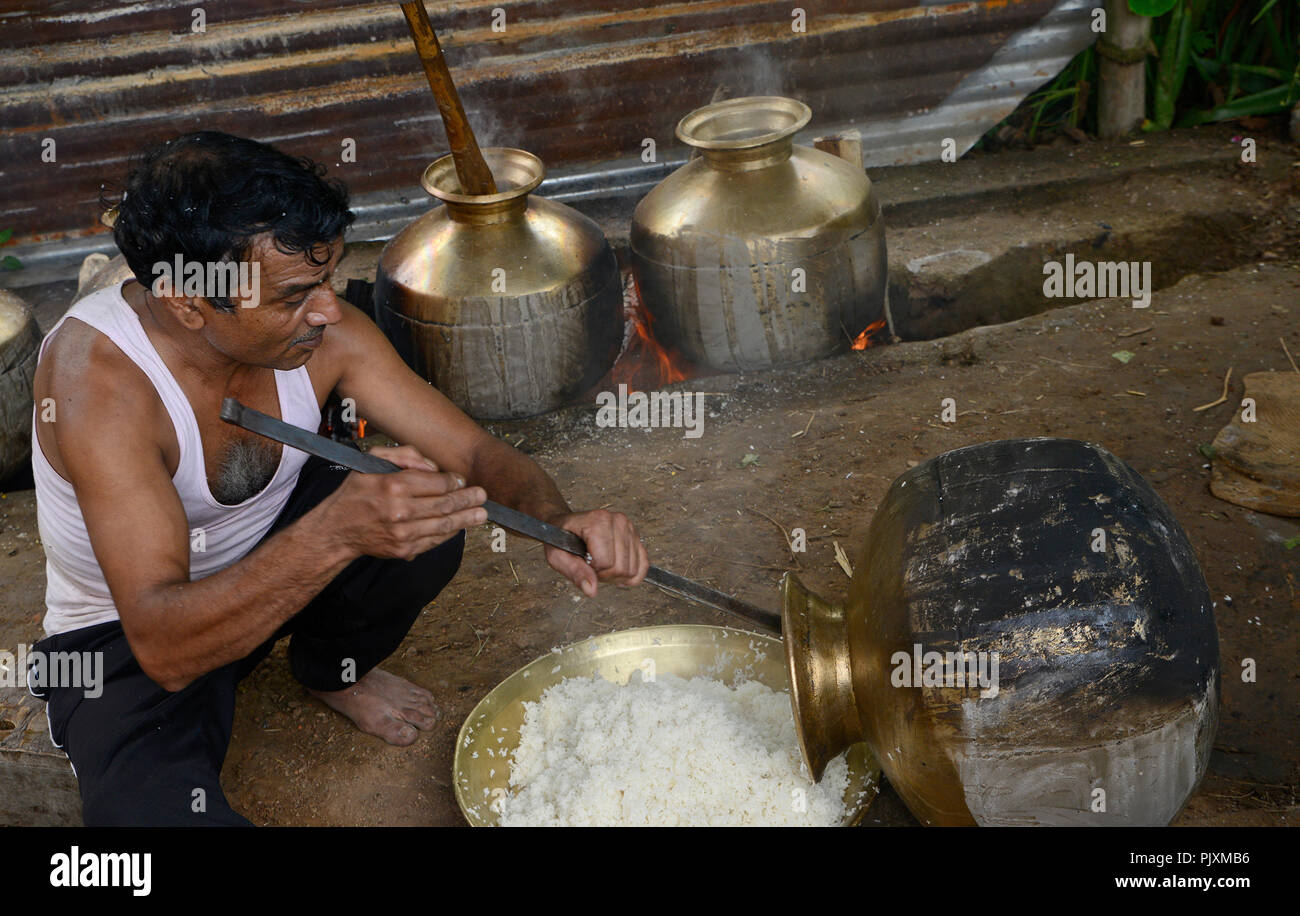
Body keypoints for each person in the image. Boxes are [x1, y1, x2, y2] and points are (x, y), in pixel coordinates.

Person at [27, 131, 649, 826]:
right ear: (188, 302)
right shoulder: (99, 385)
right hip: (132, 638)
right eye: (295, 295)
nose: (327, 308)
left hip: (270, 561)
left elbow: (474, 454)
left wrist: (554, 517)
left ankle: (330, 670)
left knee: (423, 511)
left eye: (326, 279)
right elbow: (166, 648)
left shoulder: (326, 330)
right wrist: (337, 533)